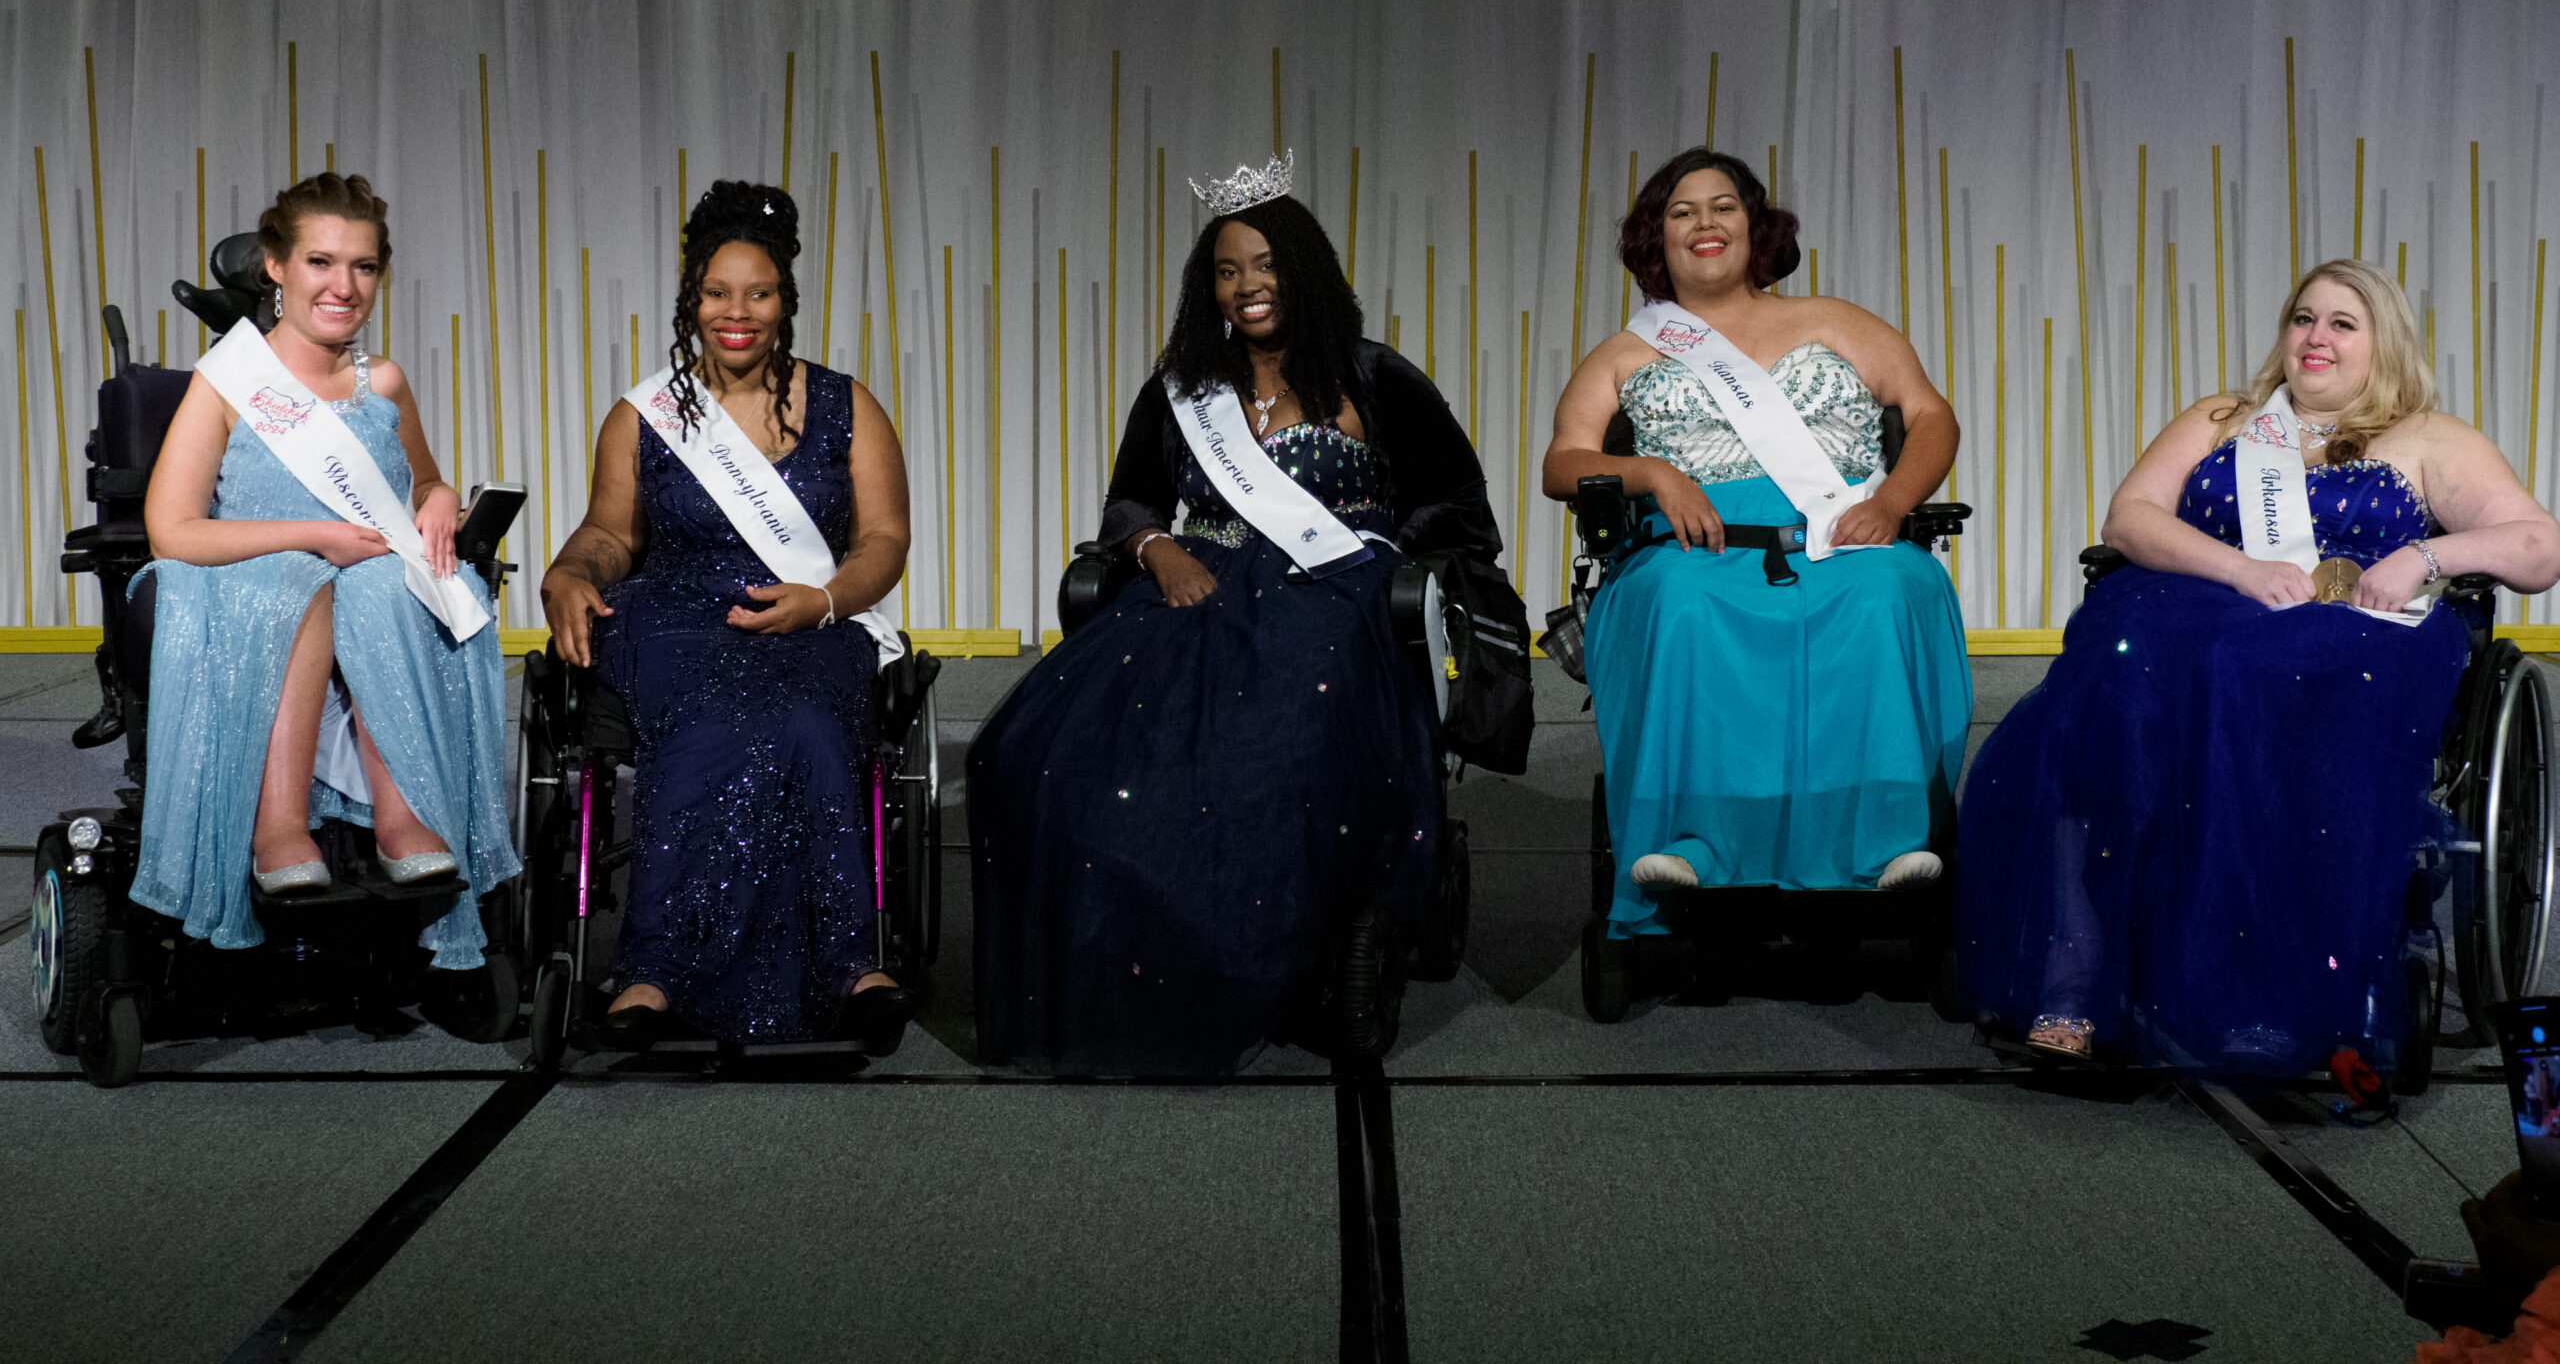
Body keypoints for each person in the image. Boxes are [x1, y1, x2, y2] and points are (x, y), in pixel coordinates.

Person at [967, 155, 1499, 1074]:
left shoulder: (1376, 377)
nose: (1248, 286)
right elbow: (1129, 503)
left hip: (1335, 594)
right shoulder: (1183, 385)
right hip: (1194, 584)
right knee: (1032, 750)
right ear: (1205, 287)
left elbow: (1459, 506)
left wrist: (1379, 556)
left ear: (1305, 271)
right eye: (1227, 269)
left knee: (1272, 745)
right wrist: (1155, 549)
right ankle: (1126, 965)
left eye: (1266, 264)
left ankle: (1276, 960)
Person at [1958, 259, 2560, 1069]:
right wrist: (2241, 570)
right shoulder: (2222, 418)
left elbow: (2537, 547)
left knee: (2251, 675)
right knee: (2101, 685)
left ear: (2382, 340)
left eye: (2343, 323)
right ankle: (2077, 970)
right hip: (2200, 607)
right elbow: (2130, 517)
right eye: (2303, 318)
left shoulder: (2429, 437)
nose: (2316, 337)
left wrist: (2423, 554)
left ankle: (2257, 987)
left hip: (2356, 635)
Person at [1541, 149, 1971, 934]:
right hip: (1694, 554)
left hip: (1843, 542)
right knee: (1678, 600)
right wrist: (1650, 473)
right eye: (1682, 211)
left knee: (1886, 589)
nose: (1705, 222)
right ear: (1656, 239)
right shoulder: (1627, 351)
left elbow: (1931, 414)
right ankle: (1690, 842)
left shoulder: (1838, 320)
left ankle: (1887, 843)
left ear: (1755, 224)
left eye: (1724, 206)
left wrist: (1896, 500)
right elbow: (1564, 460)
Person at [540, 181, 916, 1049]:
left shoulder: (846, 405)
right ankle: (652, 974)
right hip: (672, 617)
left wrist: (823, 599)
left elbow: (884, 539)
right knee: (712, 719)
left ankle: (857, 966)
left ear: (786, 300)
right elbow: (607, 531)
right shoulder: (645, 416)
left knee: (810, 721)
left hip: (813, 618)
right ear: (690, 299)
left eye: (758, 292)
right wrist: (568, 569)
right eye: (716, 292)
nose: (735, 312)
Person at [135, 172, 516, 965]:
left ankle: (402, 811)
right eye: (320, 262)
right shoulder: (226, 382)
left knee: (382, 583)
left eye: (364, 266)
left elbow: (424, 479)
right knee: (303, 578)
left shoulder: (383, 383)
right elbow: (172, 532)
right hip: (238, 582)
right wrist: (315, 534)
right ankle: (279, 822)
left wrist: (442, 496)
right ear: (275, 266)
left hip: (363, 584)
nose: (344, 286)